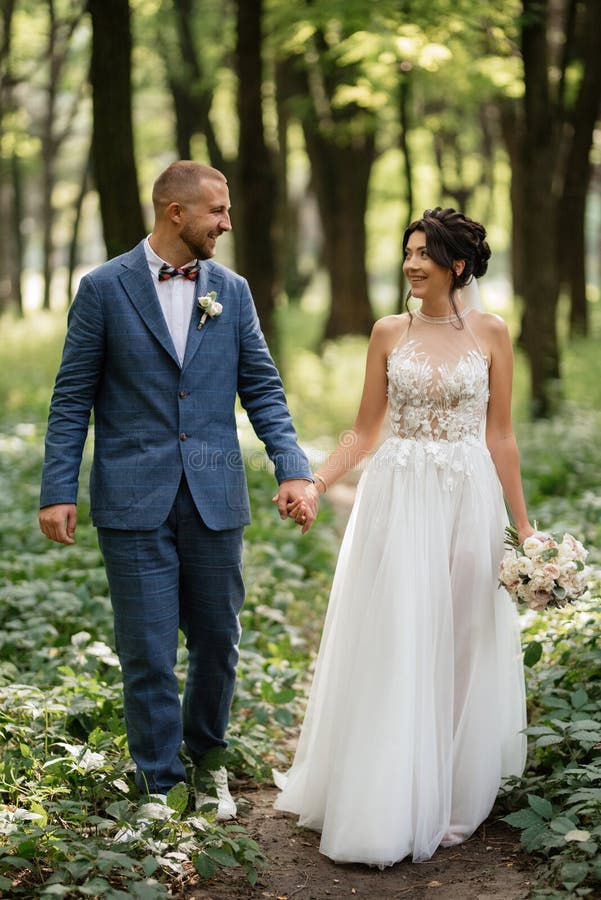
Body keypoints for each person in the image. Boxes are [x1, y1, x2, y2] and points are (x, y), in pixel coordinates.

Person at [39, 160, 317, 817]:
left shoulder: (233, 292)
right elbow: (71, 395)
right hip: (132, 501)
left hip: (215, 497)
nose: (226, 222)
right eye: (216, 211)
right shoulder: (103, 288)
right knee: (148, 653)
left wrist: (293, 467)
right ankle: (160, 785)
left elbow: (263, 389)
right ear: (176, 213)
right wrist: (58, 487)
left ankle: (208, 758)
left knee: (218, 641)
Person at [275, 208, 533, 866]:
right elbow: (364, 430)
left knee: (463, 636)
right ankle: (386, 793)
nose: (410, 264)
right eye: (407, 252)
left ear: (456, 264)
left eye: (423, 254)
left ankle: (447, 791)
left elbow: (500, 435)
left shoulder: (493, 334)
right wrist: (313, 480)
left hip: (467, 496)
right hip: (398, 494)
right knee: (399, 634)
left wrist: (523, 528)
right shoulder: (389, 331)